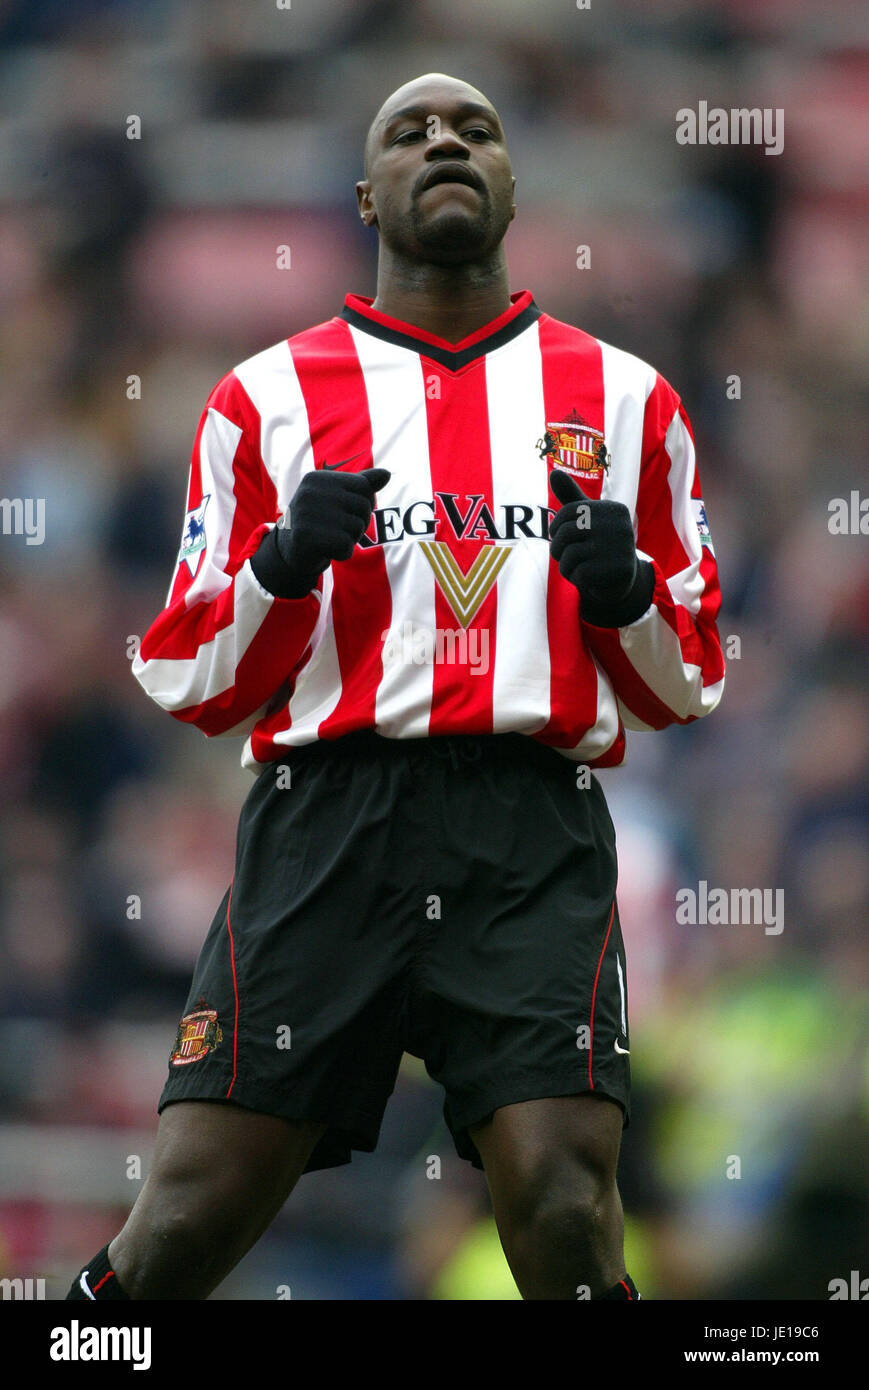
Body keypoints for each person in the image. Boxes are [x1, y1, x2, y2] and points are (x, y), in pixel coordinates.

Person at [66, 72, 724, 1302]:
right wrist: (280, 567)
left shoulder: (630, 400)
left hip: (528, 830)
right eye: (409, 132)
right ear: (367, 195)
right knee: (187, 1216)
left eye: (475, 130)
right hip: (327, 823)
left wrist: (624, 592)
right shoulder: (261, 399)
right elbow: (184, 674)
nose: (444, 142)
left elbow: (688, 681)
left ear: (512, 185)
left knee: (565, 1201)